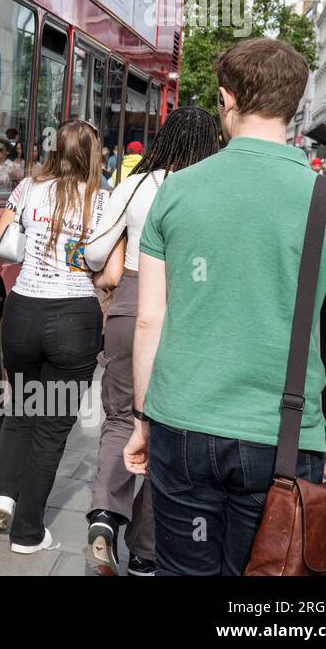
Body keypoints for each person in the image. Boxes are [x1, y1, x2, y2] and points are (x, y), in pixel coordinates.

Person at [123, 38, 326, 576]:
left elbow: (150, 319)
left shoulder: (176, 190)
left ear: (226, 99)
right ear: (294, 106)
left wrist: (144, 420)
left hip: (182, 423)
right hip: (285, 440)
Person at [81, 107, 219, 576]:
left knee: (122, 415)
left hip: (133, 300)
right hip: (189, 308)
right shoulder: (211, 185)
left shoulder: (135, 185)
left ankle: (103, 516)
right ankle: (146, 550)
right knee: (169, 429)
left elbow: (95, 250)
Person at [0, 119, 108, 555]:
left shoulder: (28, 189)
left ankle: (2, 498)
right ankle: (28, 532)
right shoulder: (102, 201)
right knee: (52, 429)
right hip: (74, 318)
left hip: (25, 312)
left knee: (23, 408)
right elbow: (107, 275)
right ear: (92, 156)